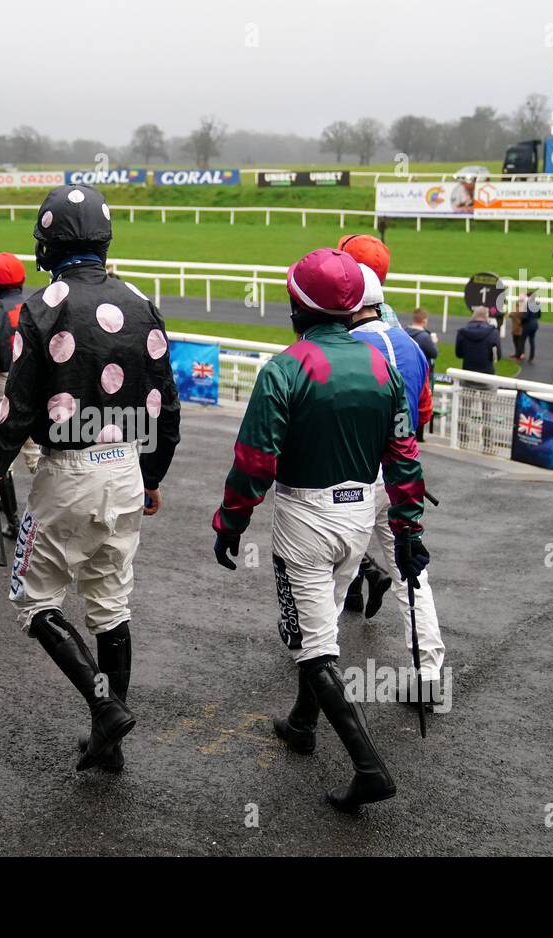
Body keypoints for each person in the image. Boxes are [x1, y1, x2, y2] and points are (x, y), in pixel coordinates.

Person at [211, 247, 427, 813]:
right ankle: (304, 723)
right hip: (360, 517)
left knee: (313, 645)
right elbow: (404, 454)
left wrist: (231, 522)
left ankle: (369, 767)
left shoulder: (285, 367)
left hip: (305, 519)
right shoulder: (381, 364)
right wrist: (407, 526)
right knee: (323, 620)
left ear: (295, 305)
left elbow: (255, 459)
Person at [0, 184, 181, 774]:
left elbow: (16, 407)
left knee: (33, 599)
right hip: (125, 472)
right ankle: (107, 742)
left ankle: (105, 708)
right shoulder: (142, 302)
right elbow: (167, 406)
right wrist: (153, 474)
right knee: (111, 606)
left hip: (66, 474)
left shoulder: (39, 308)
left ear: (48, 242)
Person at [344, 255, 445, 708]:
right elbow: (421, 413)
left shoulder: (340, 347)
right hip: (402, 477)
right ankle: (428, 674)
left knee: (326, 574)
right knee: (413, 576)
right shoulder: (412, 345)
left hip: (352, 477)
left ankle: (314, 673)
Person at [0, 250, 40, 538]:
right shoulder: (38, 306)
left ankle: (14, 520)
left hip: (6, 384)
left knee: (2, 450)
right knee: (39, 451)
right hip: (39, 385)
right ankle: (49, 514)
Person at [456, 305, 502, 374]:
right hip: (487, 374)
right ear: (486, 316)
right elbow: (497, 357)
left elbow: (459, 354)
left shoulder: (462, 332)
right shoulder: (493, 332)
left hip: (467, 373)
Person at [405, 308, 438, 378]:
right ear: (424, 321)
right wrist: (434, 342)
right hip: (422, 373)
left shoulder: (404, 332)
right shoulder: (425, 337)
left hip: (407, 371)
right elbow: (434, 354)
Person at [520, 293, 540, 363]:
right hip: (535, 324)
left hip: (527, 325)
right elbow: (539, 315)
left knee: (522, 339)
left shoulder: (528, 304)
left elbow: (525, 316)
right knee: (532, 341)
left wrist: (521, 322)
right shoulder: (537, 304)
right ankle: (531, 356)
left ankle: (522, 354)